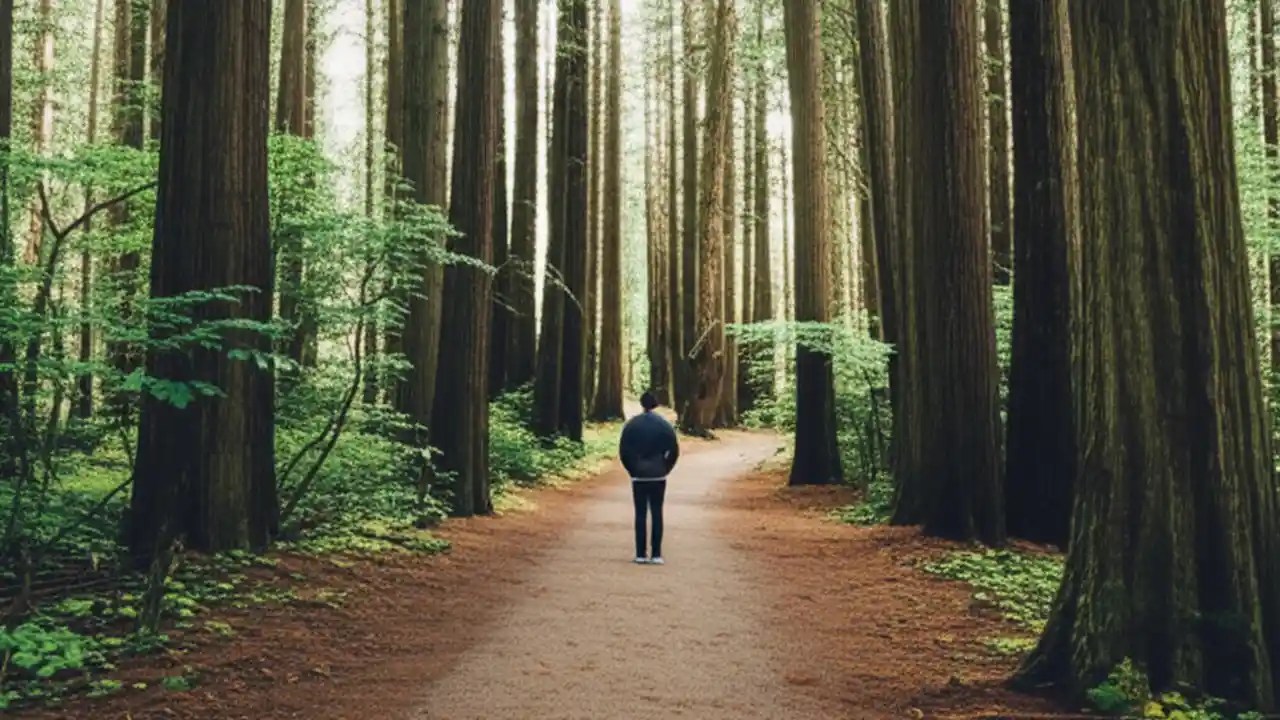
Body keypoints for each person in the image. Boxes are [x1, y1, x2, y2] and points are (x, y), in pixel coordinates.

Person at [618, 391, 680, 565]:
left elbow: (623, 451)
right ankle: (656, 554)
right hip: (658, 475)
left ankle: (640, 553)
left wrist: (632, 470)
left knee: (640, 513)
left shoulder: (631, 425)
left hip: (639, 475)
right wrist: (665, 468)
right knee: (657, 513)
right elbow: (674, 451)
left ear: (641, 403)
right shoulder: (664, 425)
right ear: (656, 404)